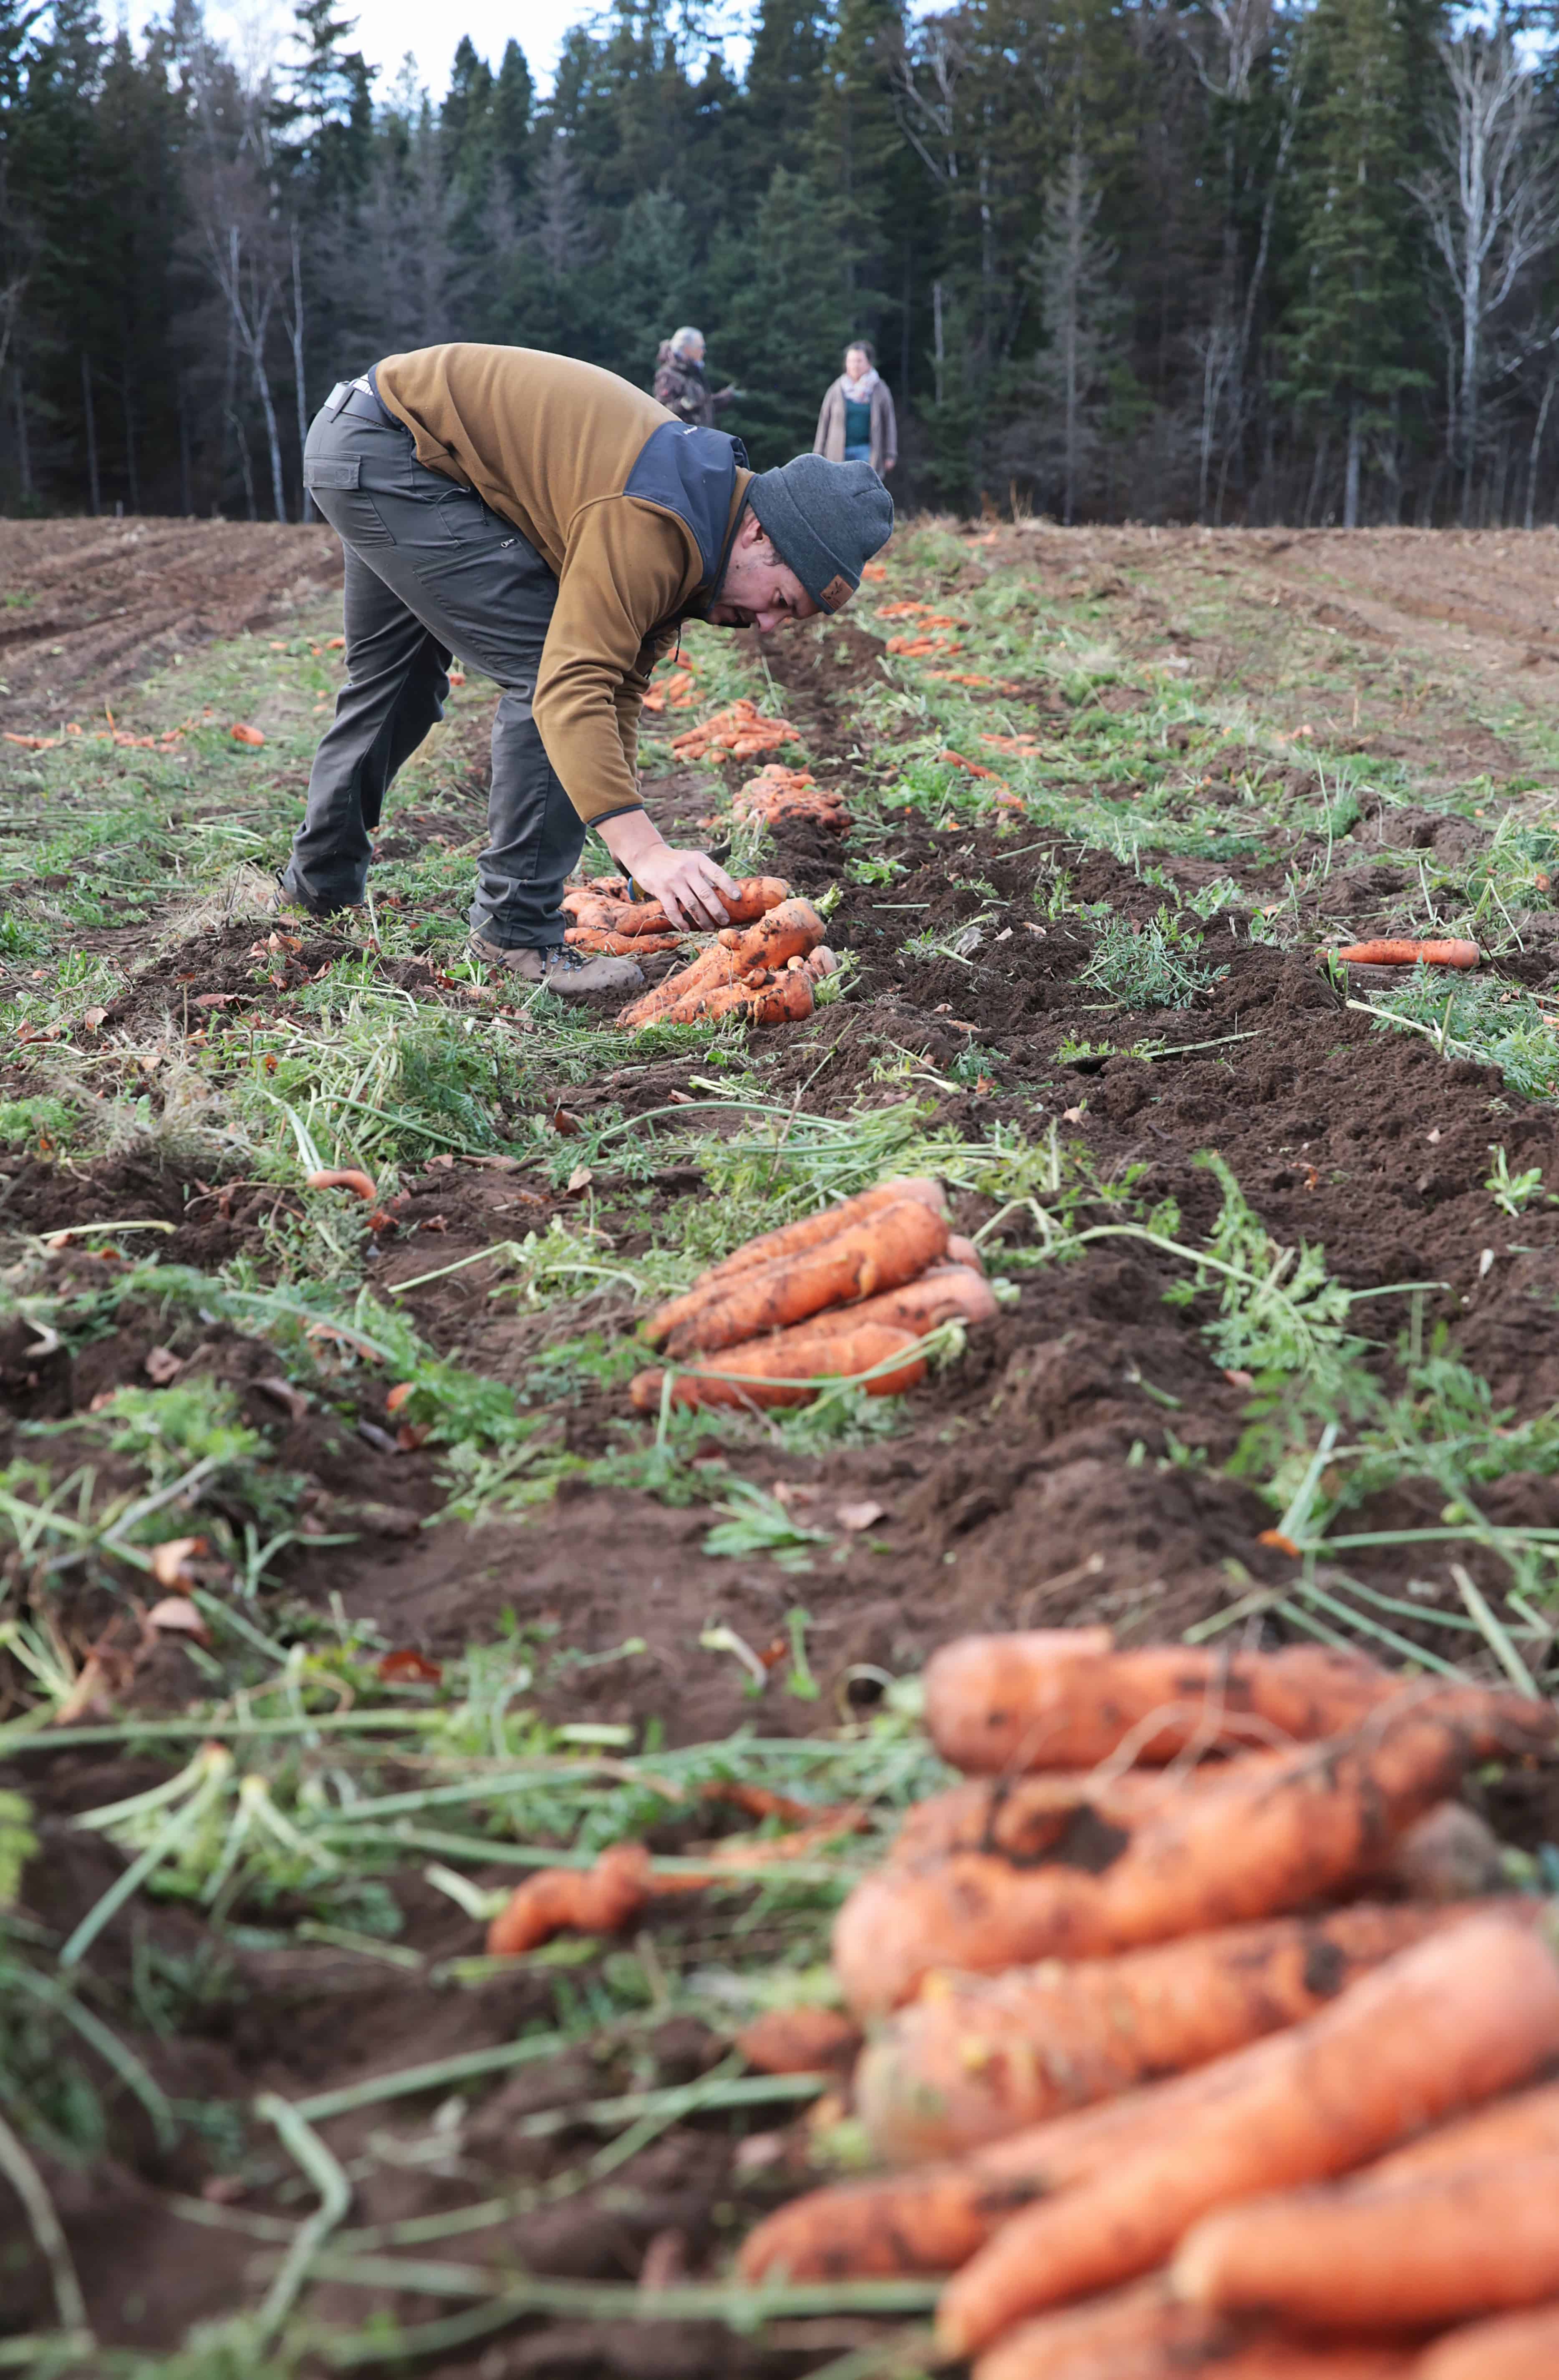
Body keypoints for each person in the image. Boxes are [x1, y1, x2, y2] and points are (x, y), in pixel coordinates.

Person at [274, 344, 892, 997]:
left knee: (397, 685)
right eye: (779, 602)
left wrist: (631, 844)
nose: (766, 626)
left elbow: (619, 683)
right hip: (397, 454)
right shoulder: (658, 521)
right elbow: (573, 685)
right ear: (761, 535)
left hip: (369, 437)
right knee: (548, 663)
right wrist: (646, 850)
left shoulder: (703, 514)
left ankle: (317, 889)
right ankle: (513, 934)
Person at [814, 341, 897, 477]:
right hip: (837, 453)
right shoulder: (836, 389)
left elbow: (889, 423)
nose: (855, 365)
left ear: (869, 363)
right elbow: (824, 422)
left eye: (859, 361)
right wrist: (818, 454)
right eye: (851, 361)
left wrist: (890, 454)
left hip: (867, 453)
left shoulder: (880, 389)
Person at [652, 326, 737, 431]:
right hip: (683, 442)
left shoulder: (693, 373)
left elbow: (702, 404)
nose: (704, 351)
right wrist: (684, 404)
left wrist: (725, 398)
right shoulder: (668, 374)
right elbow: (661, 410)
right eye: (701, 347)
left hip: (700, 440)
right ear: (688, 349)